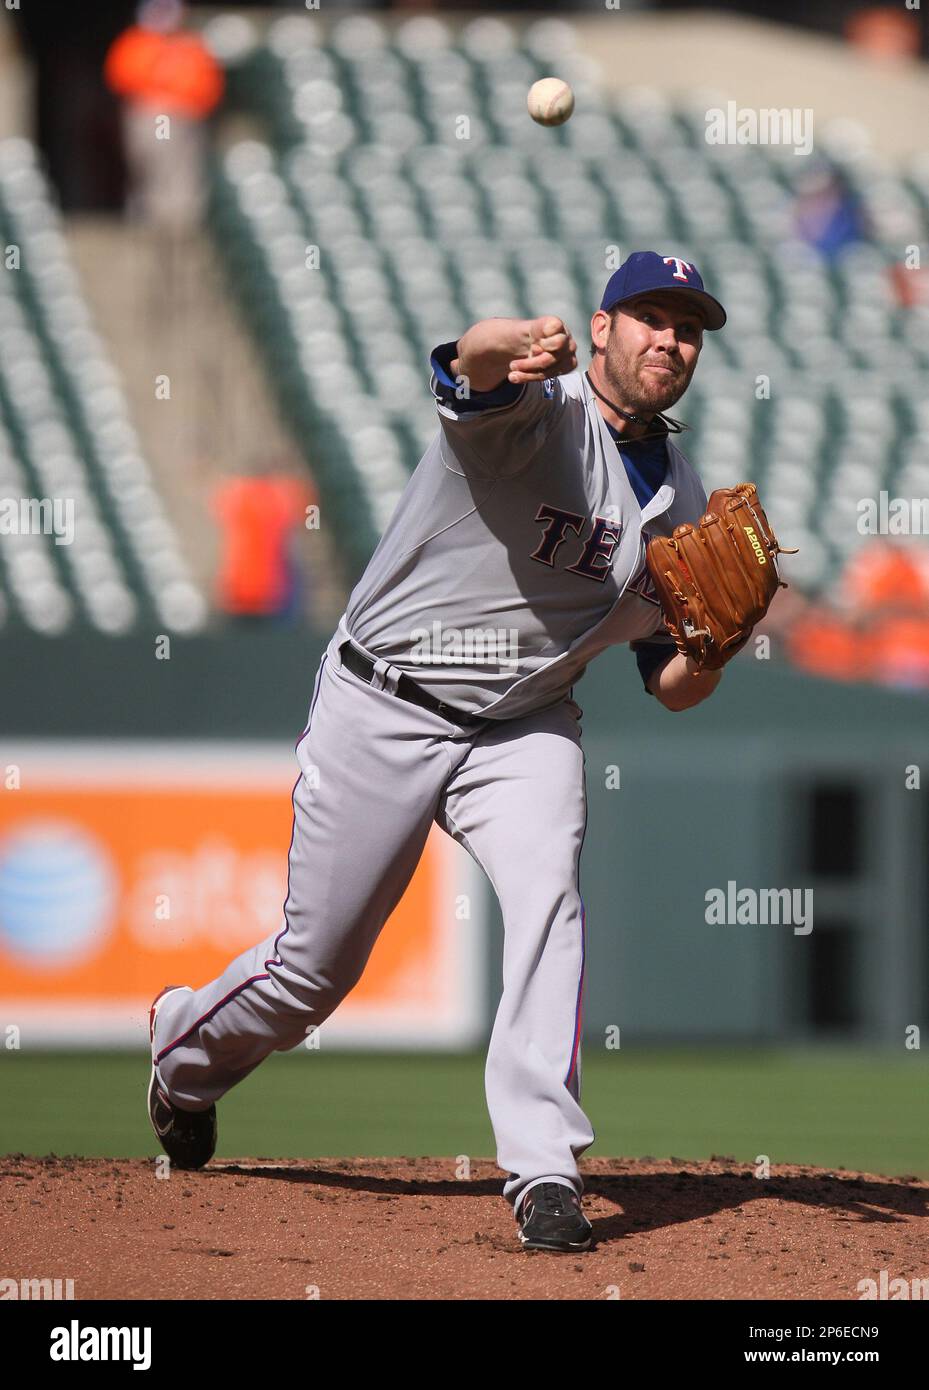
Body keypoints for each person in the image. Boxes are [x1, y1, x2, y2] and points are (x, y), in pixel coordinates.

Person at [148, 251, 728, 1254]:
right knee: (312, 974)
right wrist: (511, 338)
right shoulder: (535, 413)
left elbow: (665, 685)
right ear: (601, 329)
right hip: (385, 700)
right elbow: (470, 362)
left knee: (549, 895)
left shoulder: (679, 497)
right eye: (649, 317)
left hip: (522, 725)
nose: (668, 340)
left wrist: (710, 650)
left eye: (687, 327)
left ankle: (542, 1166)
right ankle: (183, 1054)